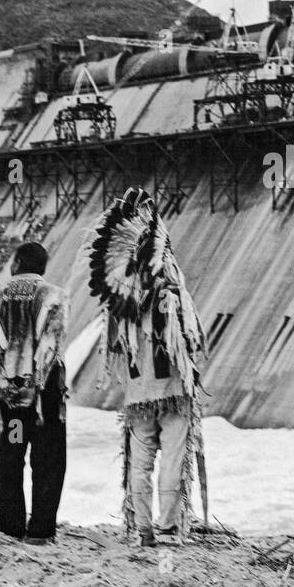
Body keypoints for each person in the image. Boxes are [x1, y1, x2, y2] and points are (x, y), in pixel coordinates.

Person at [87, 188, 207, 546]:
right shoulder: (173, 296)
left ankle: (142, 529)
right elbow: (194, 339)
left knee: (139, 465)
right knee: (171, 460)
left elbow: (111, 350)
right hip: (173, 392)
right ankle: (169, 529)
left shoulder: (120, 301)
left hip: (138, 395)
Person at [0, 242, 68, 544]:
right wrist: (35, 382)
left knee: (12, 457)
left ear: (17, 263)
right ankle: (40, 531)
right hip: (44, 401)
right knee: (47, 460)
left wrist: (1, 380)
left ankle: (11, 527)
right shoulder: (54, 296)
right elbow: (51, 344)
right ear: (42, 266)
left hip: (10, 404)